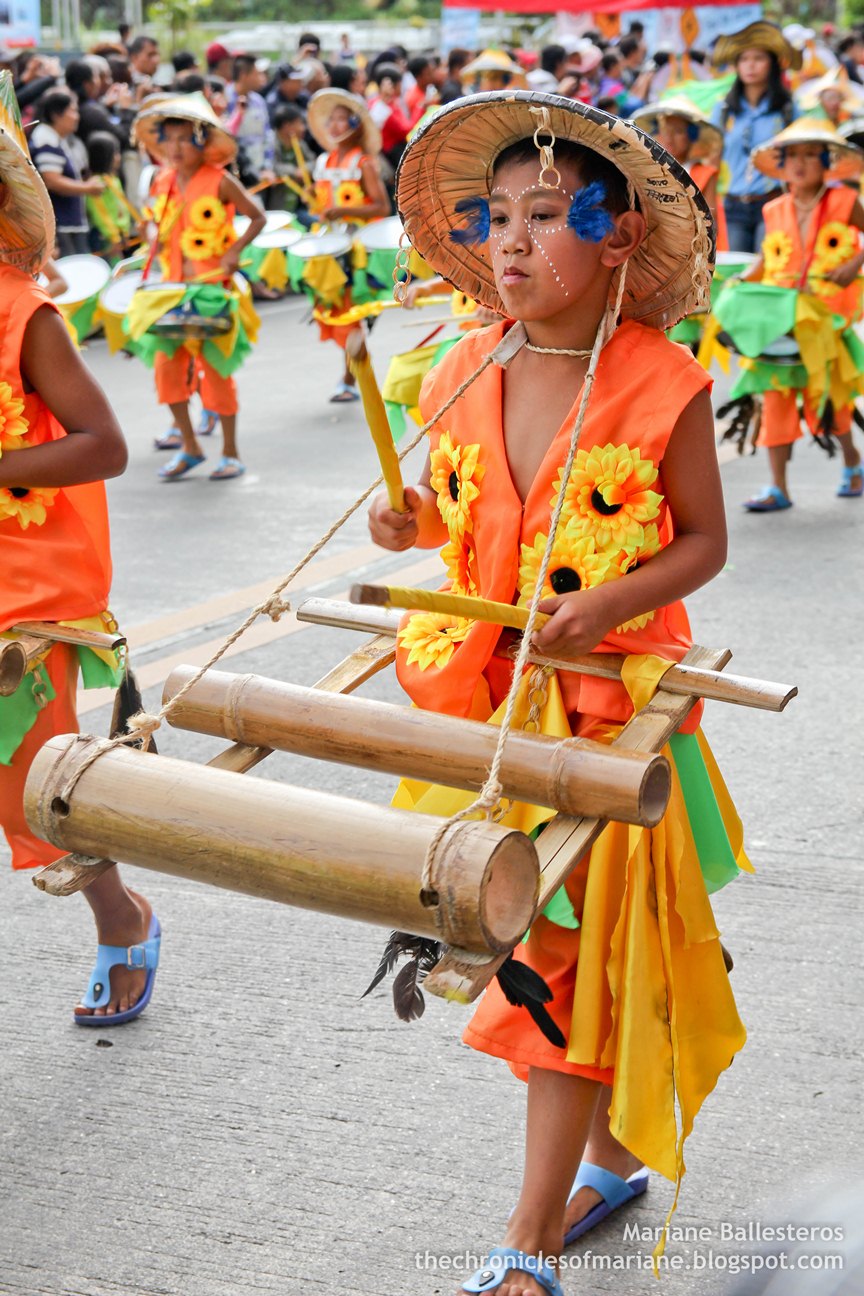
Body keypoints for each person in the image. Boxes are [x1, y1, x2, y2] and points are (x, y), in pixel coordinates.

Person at [369, 91, 749, 1295]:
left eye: (547, 216)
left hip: (602, 715)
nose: (512, 244)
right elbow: (453, 516)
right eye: (493, 220)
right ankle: (612, 1154)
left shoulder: (660, 377)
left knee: (568, 965)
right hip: (482, 710)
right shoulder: (462, 363)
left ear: (619, 238)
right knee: (520, 940)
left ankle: (527, 1243)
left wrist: (610, 603)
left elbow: (701, 543)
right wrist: (404, 516)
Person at [0, 70, 159, 1026]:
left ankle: (122, 917)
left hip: (28, 603)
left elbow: (103, 445)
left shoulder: (26, 312)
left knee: (41, 801)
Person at [129, 94, 265, 479]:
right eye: (168, 139)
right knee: (166, 370)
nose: (174, 148)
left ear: (202, 140)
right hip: (170, 289)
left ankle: (230, 452)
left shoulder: (220, 180)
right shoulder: (161, 180)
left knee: (217, 370)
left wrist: (234, 251)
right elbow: (157, 226)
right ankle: (189, 446)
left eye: (184, 138)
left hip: (210, 289)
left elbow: (258, 218)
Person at [734, 121, 864, 510]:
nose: (800, 163)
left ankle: (852, 461)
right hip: (779, 318)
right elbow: (767, 258)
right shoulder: (774, 209)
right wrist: (742, 279)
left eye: (810, 154)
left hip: (824, 317)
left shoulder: (845, 202)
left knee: (828, 398)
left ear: (826, 162)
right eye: (792, 155)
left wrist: (854, 262)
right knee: (773, 396)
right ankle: (778, 487)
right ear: (782, 164)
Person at [306, 87, 390, 401]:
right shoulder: (323, 161)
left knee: (351, 312)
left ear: (355, 125)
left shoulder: (364, 162)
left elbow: (381, 207)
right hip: (329, 244)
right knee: (334, 307)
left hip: (355, 250)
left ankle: (351, 377)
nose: (335, 126)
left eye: (343, 120)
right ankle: (353, 374)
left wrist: (344, 211)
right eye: (332, 120)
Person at [711, 21, 800, 253]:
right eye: (744, 59)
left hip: (774, 202)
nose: (750, 65)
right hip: (733, 206)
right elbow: (711, 161)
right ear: (737, 65)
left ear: (772, 64)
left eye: (759, 58)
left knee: (769, 273)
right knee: (736, 274)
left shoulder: (788, 110)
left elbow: (803, 155)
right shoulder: (722, 110)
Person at [30, 89, 102, 256]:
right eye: (73, 110)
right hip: (61, 226)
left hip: (68, 224)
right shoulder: (46, 138)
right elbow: (51, 180)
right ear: (56, 114)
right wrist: (87, 188)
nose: (77, 116)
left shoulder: (54, 137)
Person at [225, 53, 276, 189]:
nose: (261, 78)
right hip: (232, 174)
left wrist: (267, 166)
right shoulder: (224, 100)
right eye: (256, 74)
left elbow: (267, 136)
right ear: (243, 75)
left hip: (259, 174)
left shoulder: (258, 101)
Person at [85, 131, 134, 261]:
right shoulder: (97, 183)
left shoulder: (113, 179)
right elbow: (100, 213)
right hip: (106, 238)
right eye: (115, 153)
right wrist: (113, 236)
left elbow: (121, 208)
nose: (118, 157)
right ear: (104, 156)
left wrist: (124, 231)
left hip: (118, 235)